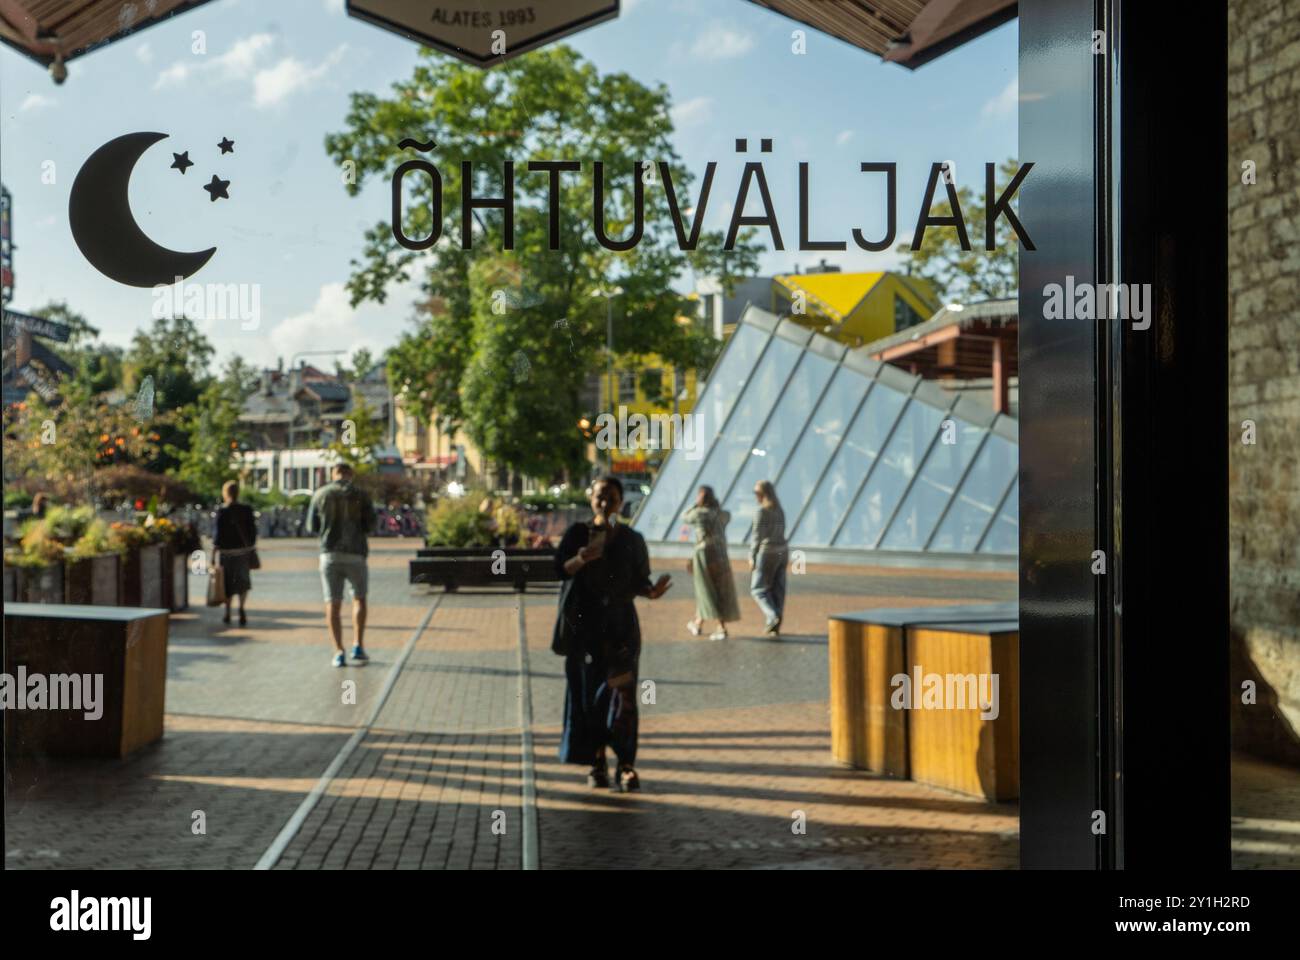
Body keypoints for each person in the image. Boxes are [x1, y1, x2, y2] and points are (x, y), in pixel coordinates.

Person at [555, 476, 671, 792]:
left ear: (621, 501)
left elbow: (639, 580)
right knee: (591, 700)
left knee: (623, 699)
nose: (606, 502)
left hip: (621, 631)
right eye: (600, 496)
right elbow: (557, 569)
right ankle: (596, 764)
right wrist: (581, 558)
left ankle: (626, 765)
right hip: (585, 631)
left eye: (612, 497)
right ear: (590, 497)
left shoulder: (632, 539)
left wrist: (651, 591)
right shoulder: (577, 534)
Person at [306, 463, 376, 667]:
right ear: (350, 475)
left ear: (333, 474)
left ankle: (338, 651)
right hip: (356, 553)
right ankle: (358, 645)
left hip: (330, 554)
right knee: (359, 599)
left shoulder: (321, 494)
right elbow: (370, 525)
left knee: (332, 603)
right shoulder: (362, 495)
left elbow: (312, 526)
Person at [682, 485, 740, 640]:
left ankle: (718, 627)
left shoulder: (698, 514)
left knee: (705, 589)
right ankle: (699, 623)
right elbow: (728, 515)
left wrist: (695, 504)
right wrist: (716, 505)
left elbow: (684, 516)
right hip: (721, 555)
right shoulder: (721, 515)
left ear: (701, 497)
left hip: (704, 554)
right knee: (719, 590)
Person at [213, 480, 257, 626]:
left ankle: (227, 611)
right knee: (243, 582)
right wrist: (249, 546)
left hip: (226, 553)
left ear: (225, 493)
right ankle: (242, 608)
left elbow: (217, 535)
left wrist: (213, 555)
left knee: (227, 584)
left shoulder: (222, 511)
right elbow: (253, 532)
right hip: (242, 552)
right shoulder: (247, 509)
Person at [749, 480, 789, 636]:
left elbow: (757, 537)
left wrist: (752, 556)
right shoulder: (779, 510)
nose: (755, 497)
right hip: (782, 550)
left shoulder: (762, 512)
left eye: (756, 493)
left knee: (757, 589)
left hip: (767, 552)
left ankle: (772, 616)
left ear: (763, 494)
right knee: (777, 589)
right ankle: (774, 623)